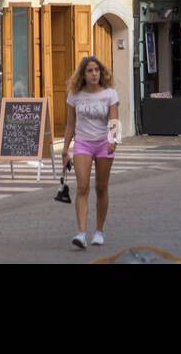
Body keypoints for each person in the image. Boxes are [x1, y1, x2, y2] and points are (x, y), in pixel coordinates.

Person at [62, 55, 119, 250]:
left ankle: (99, 231)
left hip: (104, 144)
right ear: (83, 74)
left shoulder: (110, 94)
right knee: (82, 187)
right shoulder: (75, 95)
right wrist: (65, 149)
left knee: (101, 188)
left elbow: (114, 121)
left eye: (97, 70)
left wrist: (113, 142)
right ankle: (81, 233)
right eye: (90, 71)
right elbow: (70, 124)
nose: (94, 74)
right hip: (83, 144)